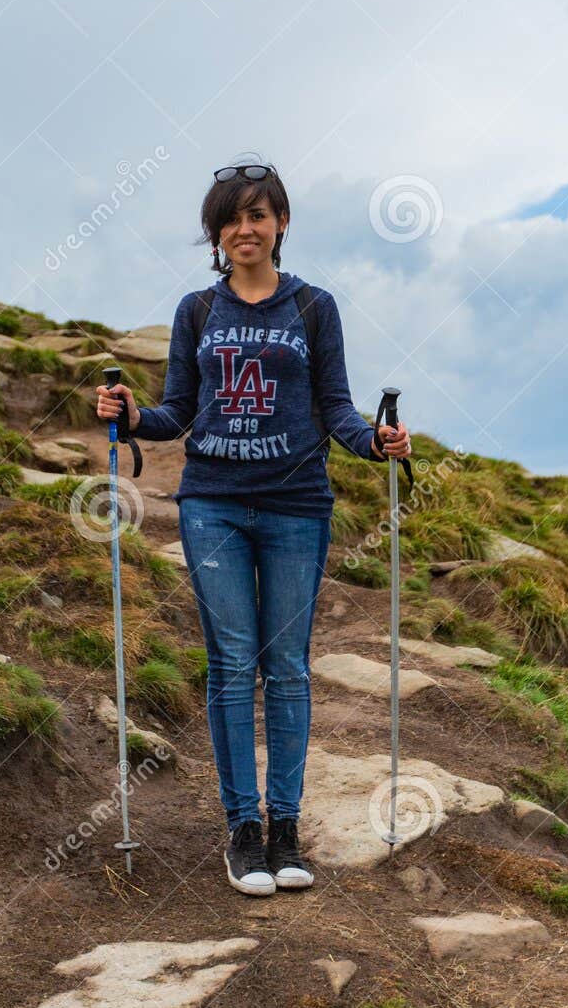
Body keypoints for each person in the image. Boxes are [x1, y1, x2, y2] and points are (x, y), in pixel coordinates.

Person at [96, 161, 411, 896]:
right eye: (231, 218)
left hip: (297, 505)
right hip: (211, 504)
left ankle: (285, 829)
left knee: (289, 667)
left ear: (281, 225)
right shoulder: (196, 311)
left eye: (258, 215)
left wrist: (374, 442)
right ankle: (242, 832)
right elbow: (177, 410)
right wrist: (132, 417)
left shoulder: (313, 308)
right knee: (234, 665)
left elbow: (335, 409)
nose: (245, 229)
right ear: (216, 233)